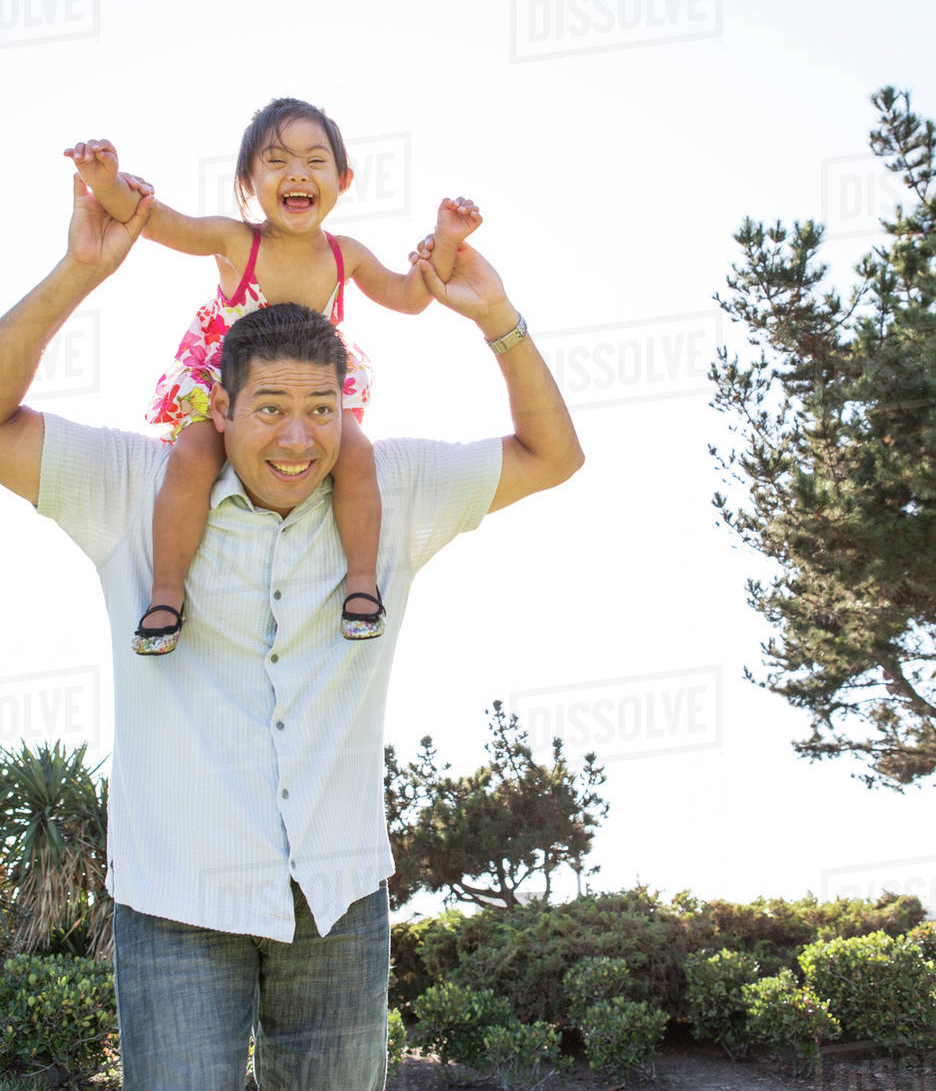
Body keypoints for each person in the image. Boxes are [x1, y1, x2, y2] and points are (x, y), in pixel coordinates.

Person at [0, 173, 583, 1090]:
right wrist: (80, 272)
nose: (298, 440)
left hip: (339, 903)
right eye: (270, 409)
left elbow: (555, 456)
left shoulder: (393, 491)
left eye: (321, 411)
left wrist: (497, 316)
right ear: (218, 410)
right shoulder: (132, 490)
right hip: (175, 903)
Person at [65, 97, 482, 652]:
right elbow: (158, 223)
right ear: (249, 180)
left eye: (315, 161)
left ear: (343, 179)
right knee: (191, 458)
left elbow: (409, 298)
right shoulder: (237, 240)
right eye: (277, 161)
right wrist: (108, 182)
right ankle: (166, 591)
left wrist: (447, 242)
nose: (297, 174)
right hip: (228, 381)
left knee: (358, 455)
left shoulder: (345, 254)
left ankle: (362, 584)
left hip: (306, 389)